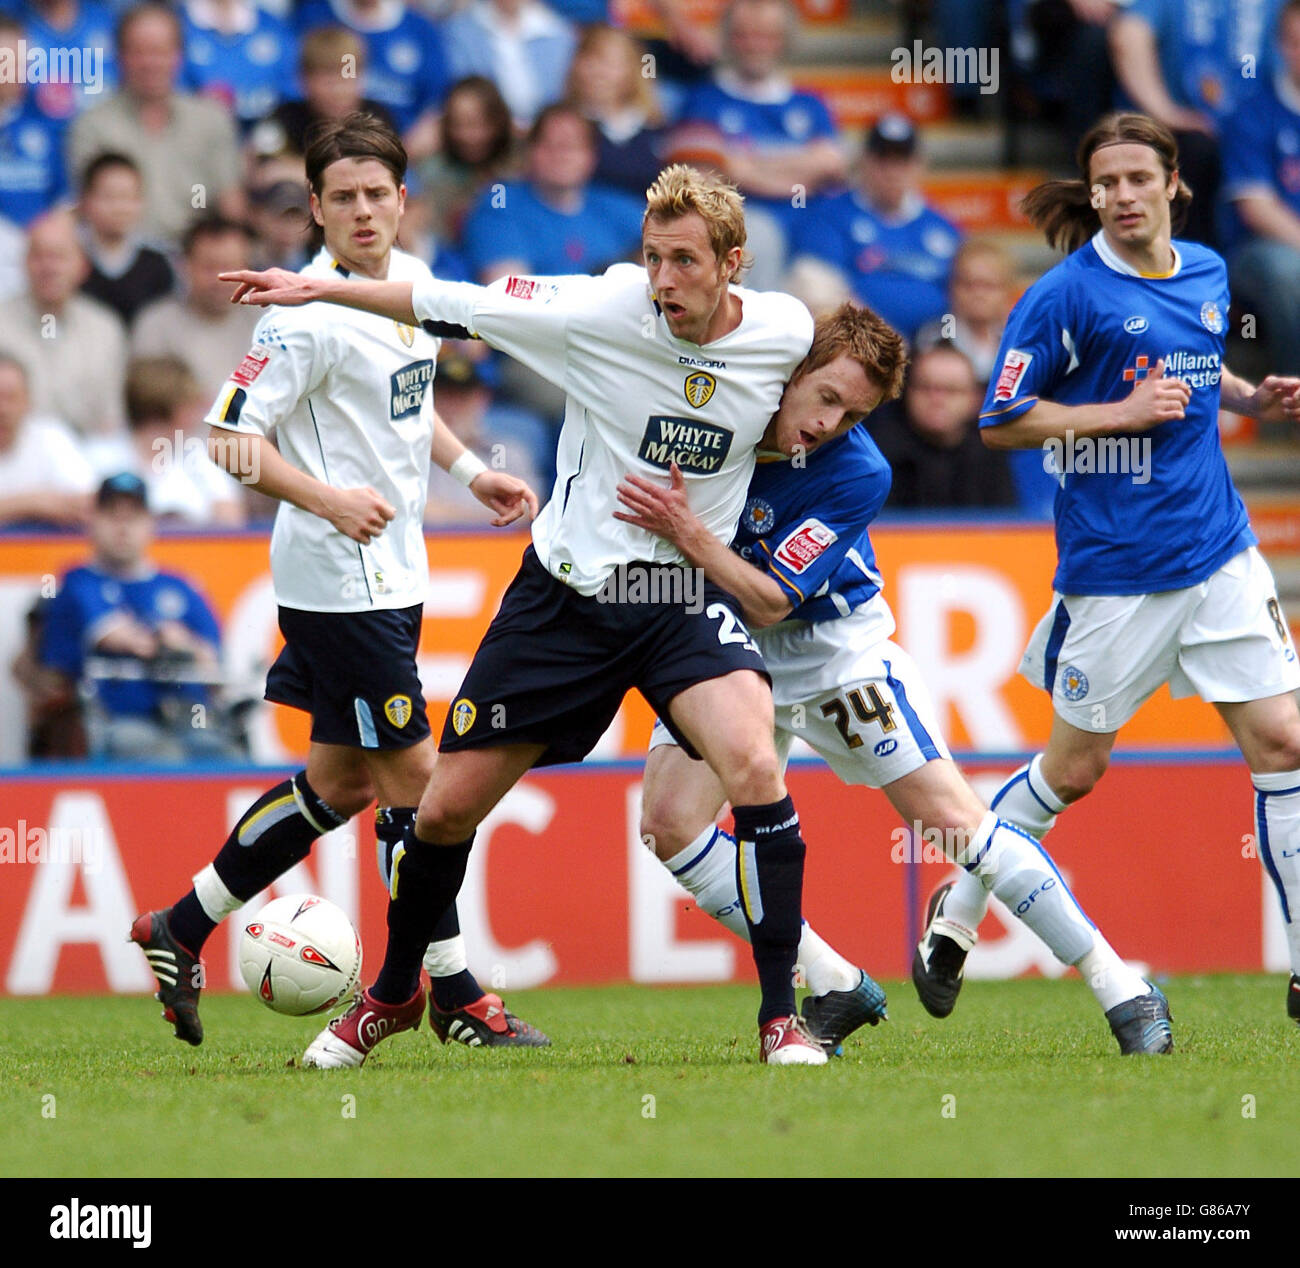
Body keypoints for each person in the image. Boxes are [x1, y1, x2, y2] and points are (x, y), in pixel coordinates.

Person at [223, 163, 837, 1067]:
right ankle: (394, 994)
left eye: (684, 262)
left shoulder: (785, 329)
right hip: (567, 597)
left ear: (733, 263)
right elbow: (455, 300)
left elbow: (845, 392)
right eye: (653, 259)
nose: (664, 280)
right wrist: (319, 287)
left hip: (671, 597)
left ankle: (783, 1017)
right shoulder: (602, 310)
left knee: (753, 761)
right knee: (439, 815)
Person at [621, 303, 1177, 1056]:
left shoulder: (858, 470)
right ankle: (835, 982)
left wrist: (686, 532)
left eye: (854, 412)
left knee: (954, 823)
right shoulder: (725, 414)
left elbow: (775, 596)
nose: (829, 423)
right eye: (824, 397)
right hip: (730, 649)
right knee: (670, 822)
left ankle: (1124, 987)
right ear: (792, 371)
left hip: (831, 653)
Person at [130, 112, 545, 1051]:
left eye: (377, 195)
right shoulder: (301, 316)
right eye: (342, 198)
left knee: (340, 784)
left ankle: (179, 928)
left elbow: (406, 406)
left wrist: (471, 469)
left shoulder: (414, 291)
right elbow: (228, 438)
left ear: (404, 200)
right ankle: (453, 993)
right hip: (337, 581)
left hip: (392, 574)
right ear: (314, 208)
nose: (362, 212)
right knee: (421, 789)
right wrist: (323, 499)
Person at [927, 111, 1300, 1026]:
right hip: (1115, 573)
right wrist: (1116, 414)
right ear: (1091, 194)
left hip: (1218, 553)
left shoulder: (1208, 270)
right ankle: (961, 905)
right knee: (1075, 770)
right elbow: (1002, 416)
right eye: (1108, 184)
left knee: (1285, 743)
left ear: (1173, 184)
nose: (1125, 197)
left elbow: (1199, 376)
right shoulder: (1066, 294)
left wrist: (1256, 396)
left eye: (1141, 179)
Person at [39, 472, 236, 762]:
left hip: (189, 715)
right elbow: (120, 638)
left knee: (226, 755)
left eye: (132, 517)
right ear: (93, 522)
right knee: (161, 756)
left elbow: (214, 664)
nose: (122, 527)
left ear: (150, 525)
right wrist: (170, 640)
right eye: (112, 515)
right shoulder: (77, 582)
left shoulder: (181, 586)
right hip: (116, 719)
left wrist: (185, 645)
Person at [68, 3, 245, 246]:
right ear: (119, 57)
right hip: (122, 259)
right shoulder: (92, 126)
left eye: (160, 51)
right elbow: (86, 212)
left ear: (179, 56)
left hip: (196, 261)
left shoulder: (211, 121)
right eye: (138, 52)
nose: (150, 63)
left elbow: (230, 207)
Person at [787, 115, 963, 344]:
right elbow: (818, 286)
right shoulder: (831, 215)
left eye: (902, 160)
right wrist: (886, 340)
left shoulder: (943, 227)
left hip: (935, 348)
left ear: (918, 164)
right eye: (883, 159)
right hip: (858, 345)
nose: (892, 171)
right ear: (863, 161)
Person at [0, 208, 128, 437]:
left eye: (58, 256)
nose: (48, 268)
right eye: (38, 256)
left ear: (82, 266)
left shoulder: (105, 328)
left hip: (89, 455)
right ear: (24, 263)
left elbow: (113, 417)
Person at [867, 343, 1018, 510]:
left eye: (951, 390)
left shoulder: (990, 458)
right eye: (925, 387)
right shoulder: (877, 455)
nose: (937, 400)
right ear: (906, 393)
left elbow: (1005, 527)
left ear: (975, 399)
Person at [131, 216, 263, 401]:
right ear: (184, 266)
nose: (221, 279)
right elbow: (148, 406)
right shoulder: (155, 325)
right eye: (209, 268)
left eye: (231, 268)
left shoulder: (266, 325)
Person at [77, 151, 176, 328]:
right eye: (109, 197)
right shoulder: (73, 259)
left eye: (128, 197)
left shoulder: (157, 264)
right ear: (85, 201)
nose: (119, 207)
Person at [0, 353, 95, 528]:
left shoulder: (51, 437)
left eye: (11, 398)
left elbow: (88, 503)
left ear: (28, 402)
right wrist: (33, 503)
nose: (2, 409)